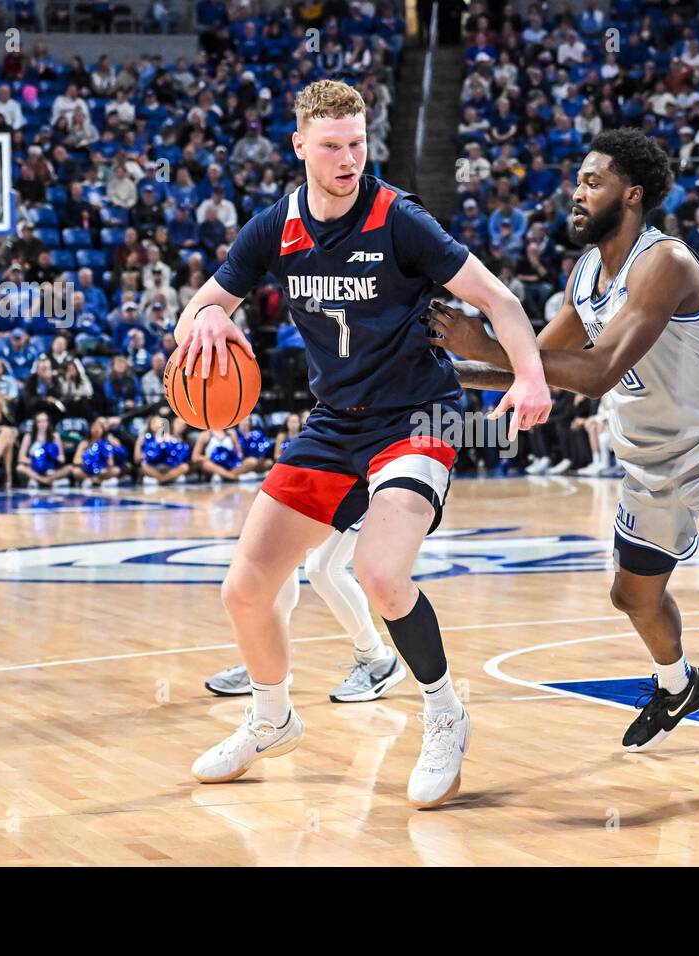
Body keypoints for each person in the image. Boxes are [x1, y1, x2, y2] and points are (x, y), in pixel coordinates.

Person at [177, 80, 550, 808]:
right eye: (331, 147)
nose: (348, 159)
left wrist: (530, 375)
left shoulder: (398, 219)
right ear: (299, 147)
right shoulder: (272, 227)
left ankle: (445, 714)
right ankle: (271, 718)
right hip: (335, 422)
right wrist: (207, 322)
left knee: (381, 574)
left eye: (357, 144)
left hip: (417, 415)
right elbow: (204, 305)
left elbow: (498, 300)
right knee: (245, 589)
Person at [431, 129, 699, 791]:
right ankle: (678, 687)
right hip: (648, 464)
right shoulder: (585, 274)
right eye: (579, 182)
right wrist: (455, 370)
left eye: (593, 182)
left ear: (633, 194)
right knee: (631, 597)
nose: (577, 193)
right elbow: (534, 361)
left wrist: (481, 338)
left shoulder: (665, 264)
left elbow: (595, 373)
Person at [203, 525, 408, 703]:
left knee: (323, 568)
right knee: (277, 556)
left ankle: (378, 659)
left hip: (358, 484)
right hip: (308, 481)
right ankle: (269, 662)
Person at [16, 411, 71, 488]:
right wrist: (37, 462)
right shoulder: (28, 437)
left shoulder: (55, 436)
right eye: (39, 422)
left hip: (51, 469)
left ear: (48, 423)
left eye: (45, 421)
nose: (42, 424)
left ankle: (43, 480)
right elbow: (21, 458)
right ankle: (45, 481)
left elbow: (62, 457)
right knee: (20, 468)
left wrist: (52, 457)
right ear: (35, 423)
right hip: (34, 469)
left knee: (69, 468)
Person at [71, 417, 127, 487]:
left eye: (99, 428)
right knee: (76, 471)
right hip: (87, 471)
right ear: (90, 429)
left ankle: (97, 481)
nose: (96, 430)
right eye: (94, 427)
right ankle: (92, 480)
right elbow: (76, 460)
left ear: (103, 430)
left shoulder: (108, 442)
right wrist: (86, 464)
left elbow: (111, 461)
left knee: (116, 470)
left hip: (102, 471)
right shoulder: (84, 443)